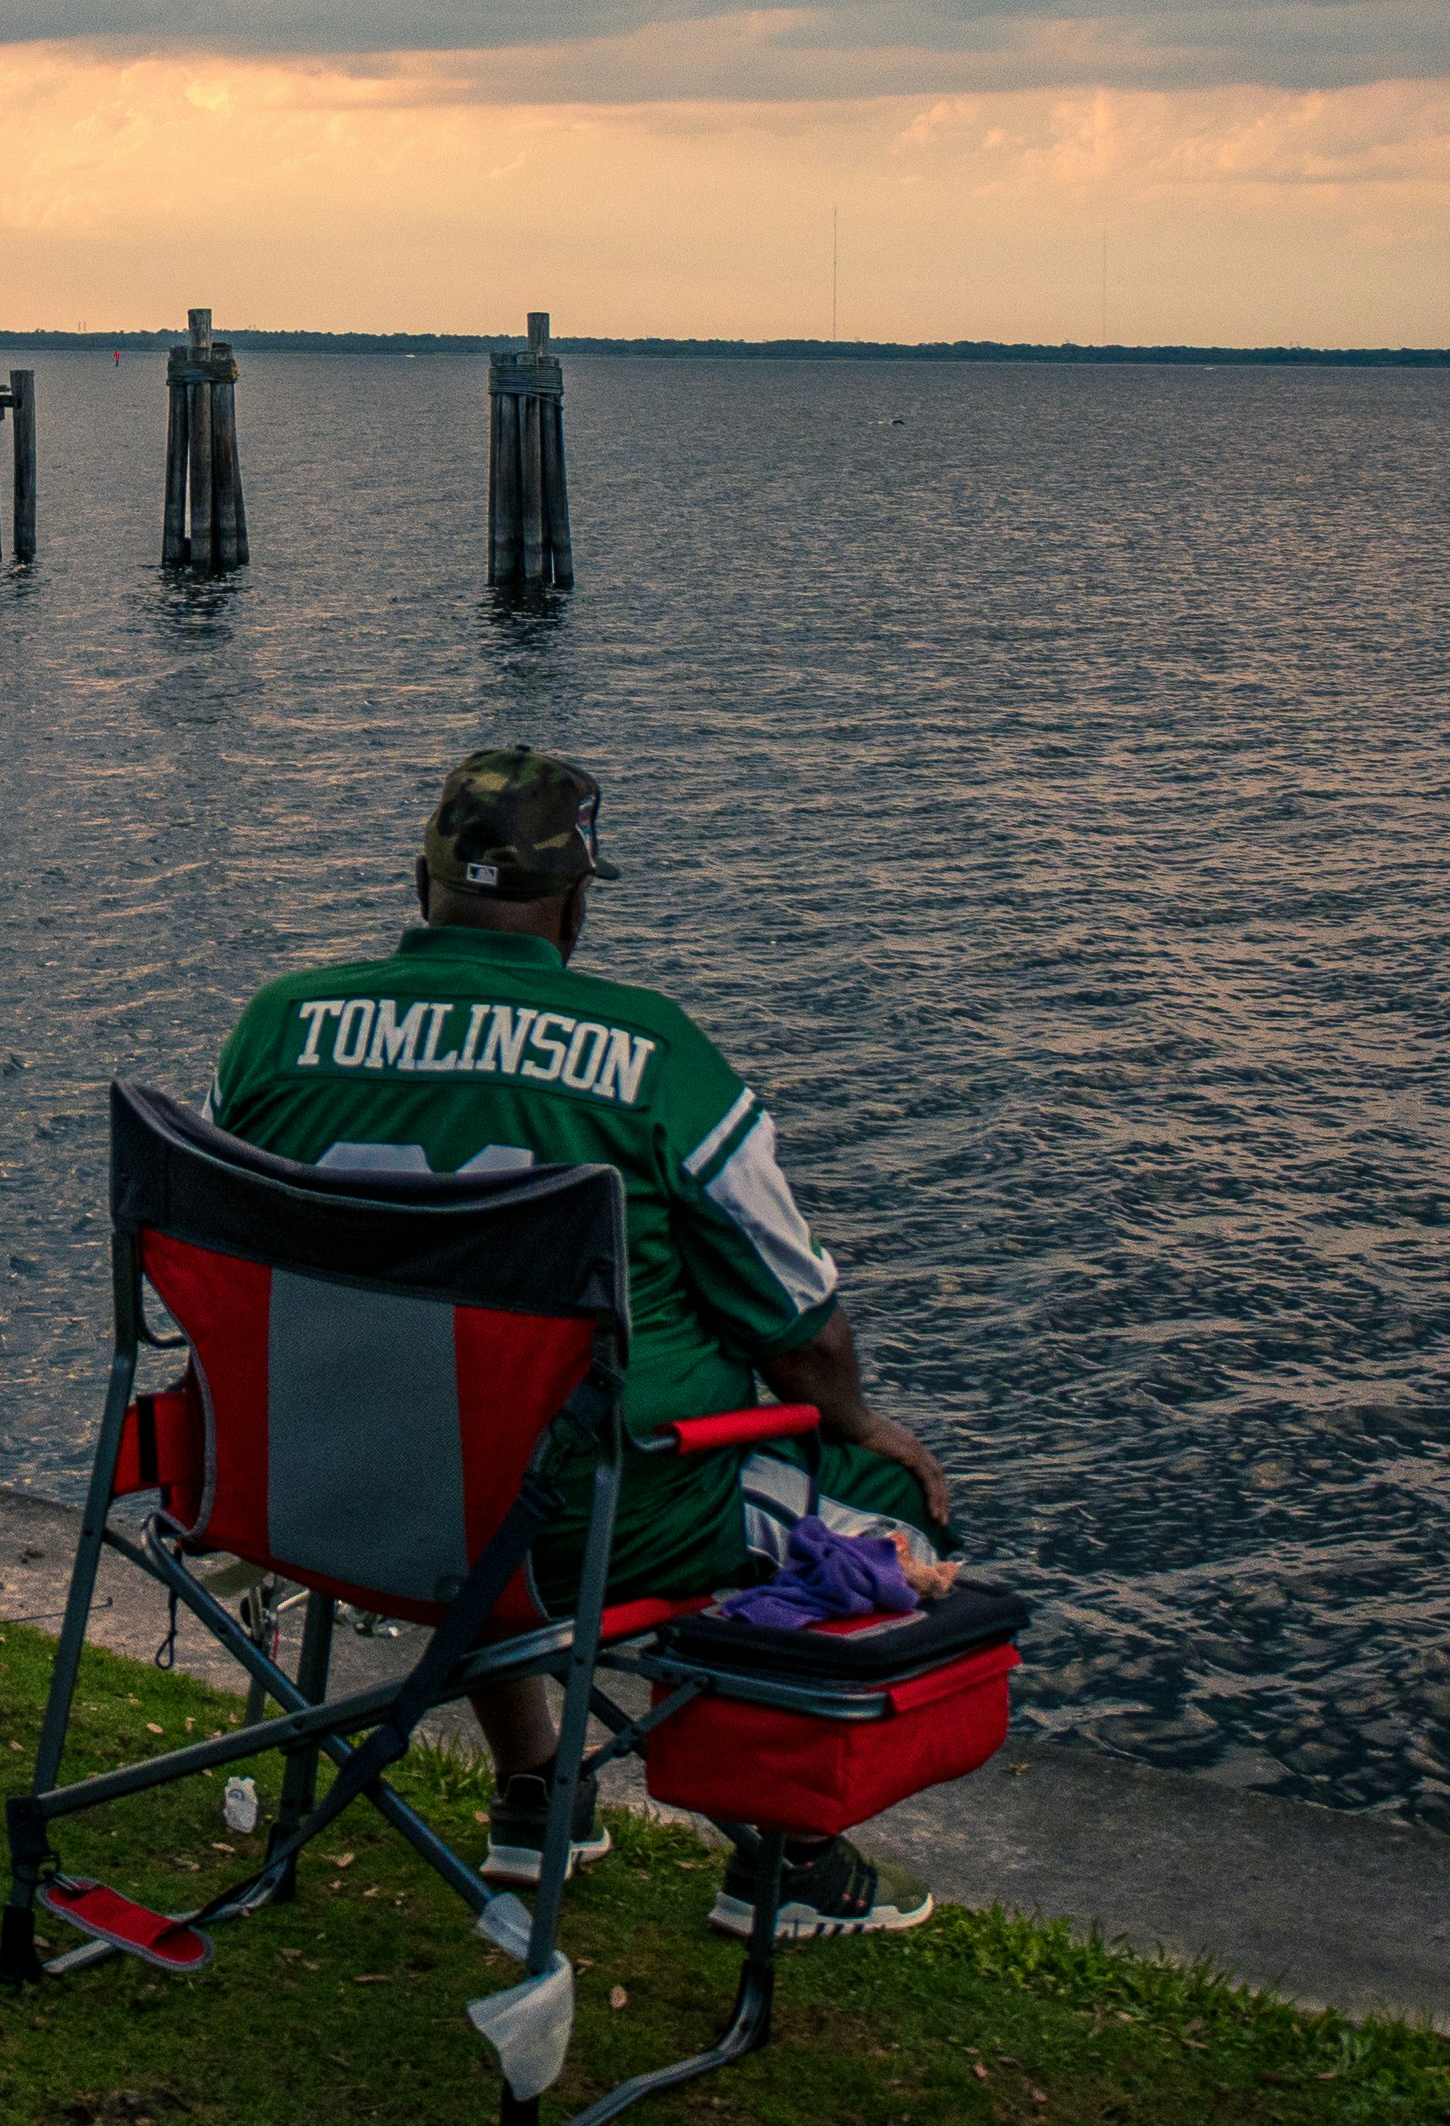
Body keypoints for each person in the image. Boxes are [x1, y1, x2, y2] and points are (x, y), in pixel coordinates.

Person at [211, 744, 954, 1941]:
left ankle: (534, 1791)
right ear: (577, 904)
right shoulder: (649, 1054)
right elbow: (801, 1331)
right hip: (571, 1517)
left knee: (472, 1421)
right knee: (875, 1497)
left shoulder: (276, 1027)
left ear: (420, 887)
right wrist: (857, 1420)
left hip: (312, 1489)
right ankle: (788, 1852)